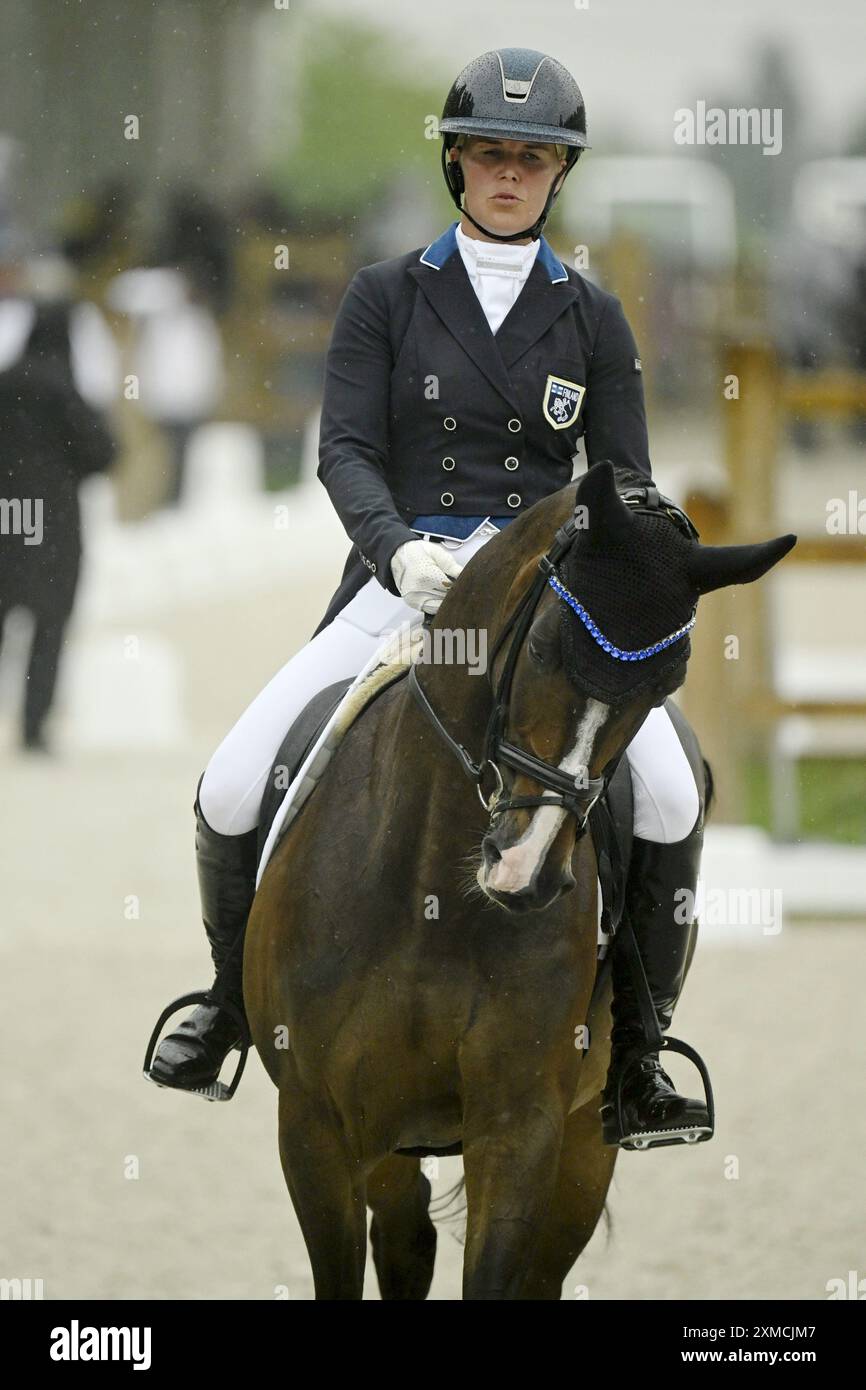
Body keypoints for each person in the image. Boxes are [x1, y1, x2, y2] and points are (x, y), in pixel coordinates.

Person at [149, 47, 710, 1149]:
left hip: (541, 605)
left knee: (670, 797)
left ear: (558, 175)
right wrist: (401, 550)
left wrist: (595, 568)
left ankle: (639, 1049)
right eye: (489, 155)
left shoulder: (591, 318)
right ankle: (226, 1003)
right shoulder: (385, 295)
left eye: (532, 159)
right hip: (403, 587)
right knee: (226, 783)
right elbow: (344, 448)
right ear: (457, 165)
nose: (509, 175)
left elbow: (626, 481)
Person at [0, 300, 116, 751]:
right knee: (49, 626)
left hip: (7, 515)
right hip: (54, 522)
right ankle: (33, 727)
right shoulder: (63, 390)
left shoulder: (4, 383)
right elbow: (103, 452)